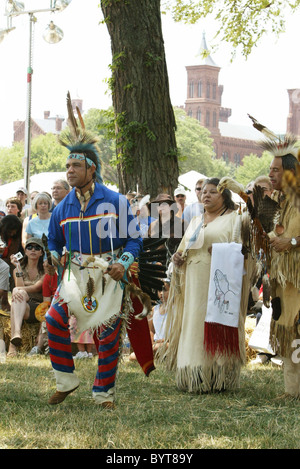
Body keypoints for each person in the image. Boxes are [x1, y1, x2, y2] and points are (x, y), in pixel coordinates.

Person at [45, 95, 153, 408]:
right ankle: (66, 380)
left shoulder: (115, 201)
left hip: (108, 273)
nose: (69, 171)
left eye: (76, 165)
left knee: (106, 335)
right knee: (53, 319)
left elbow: (135, 240)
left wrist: (123, 262)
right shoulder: (61, 208)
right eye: (67, 166)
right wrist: (55, 258)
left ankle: (103, 393)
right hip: (74, 275)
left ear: (92, 169)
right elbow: (53, 240)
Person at [160, 178, 255, 393]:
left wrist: (223, 251)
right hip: (193, 280)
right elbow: (184, 249)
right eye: (203, 192)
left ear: (224, 197)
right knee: (193, 323)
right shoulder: (196, 221)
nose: (206, 195)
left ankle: (216, 376)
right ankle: (193, 373)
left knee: (214, 322)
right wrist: (177, 258)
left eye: (213, 192)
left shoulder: (234, 219)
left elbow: (243, 251)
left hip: (219, 282)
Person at [265, 137, 300, 399]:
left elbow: (291, 238)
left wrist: (293, 241)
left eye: (276, 170)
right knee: (288, 330)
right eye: (270, 170)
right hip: (283, 279)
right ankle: (292, 390)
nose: (270, 174)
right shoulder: (279, 203)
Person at [7, 237, 45, 357]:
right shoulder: (19, 269)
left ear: (41, 252)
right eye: (29, 247)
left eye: (37, 247)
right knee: (18, 297)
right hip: (24, 306)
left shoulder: (45, 269)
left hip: (39, 308)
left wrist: (16, 290)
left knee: (18, 293)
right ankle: (17, 333)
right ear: (25, 251)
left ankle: (12, 347)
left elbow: (36, 288)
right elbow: (20, 287)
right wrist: (17, 267)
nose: (33, 250)